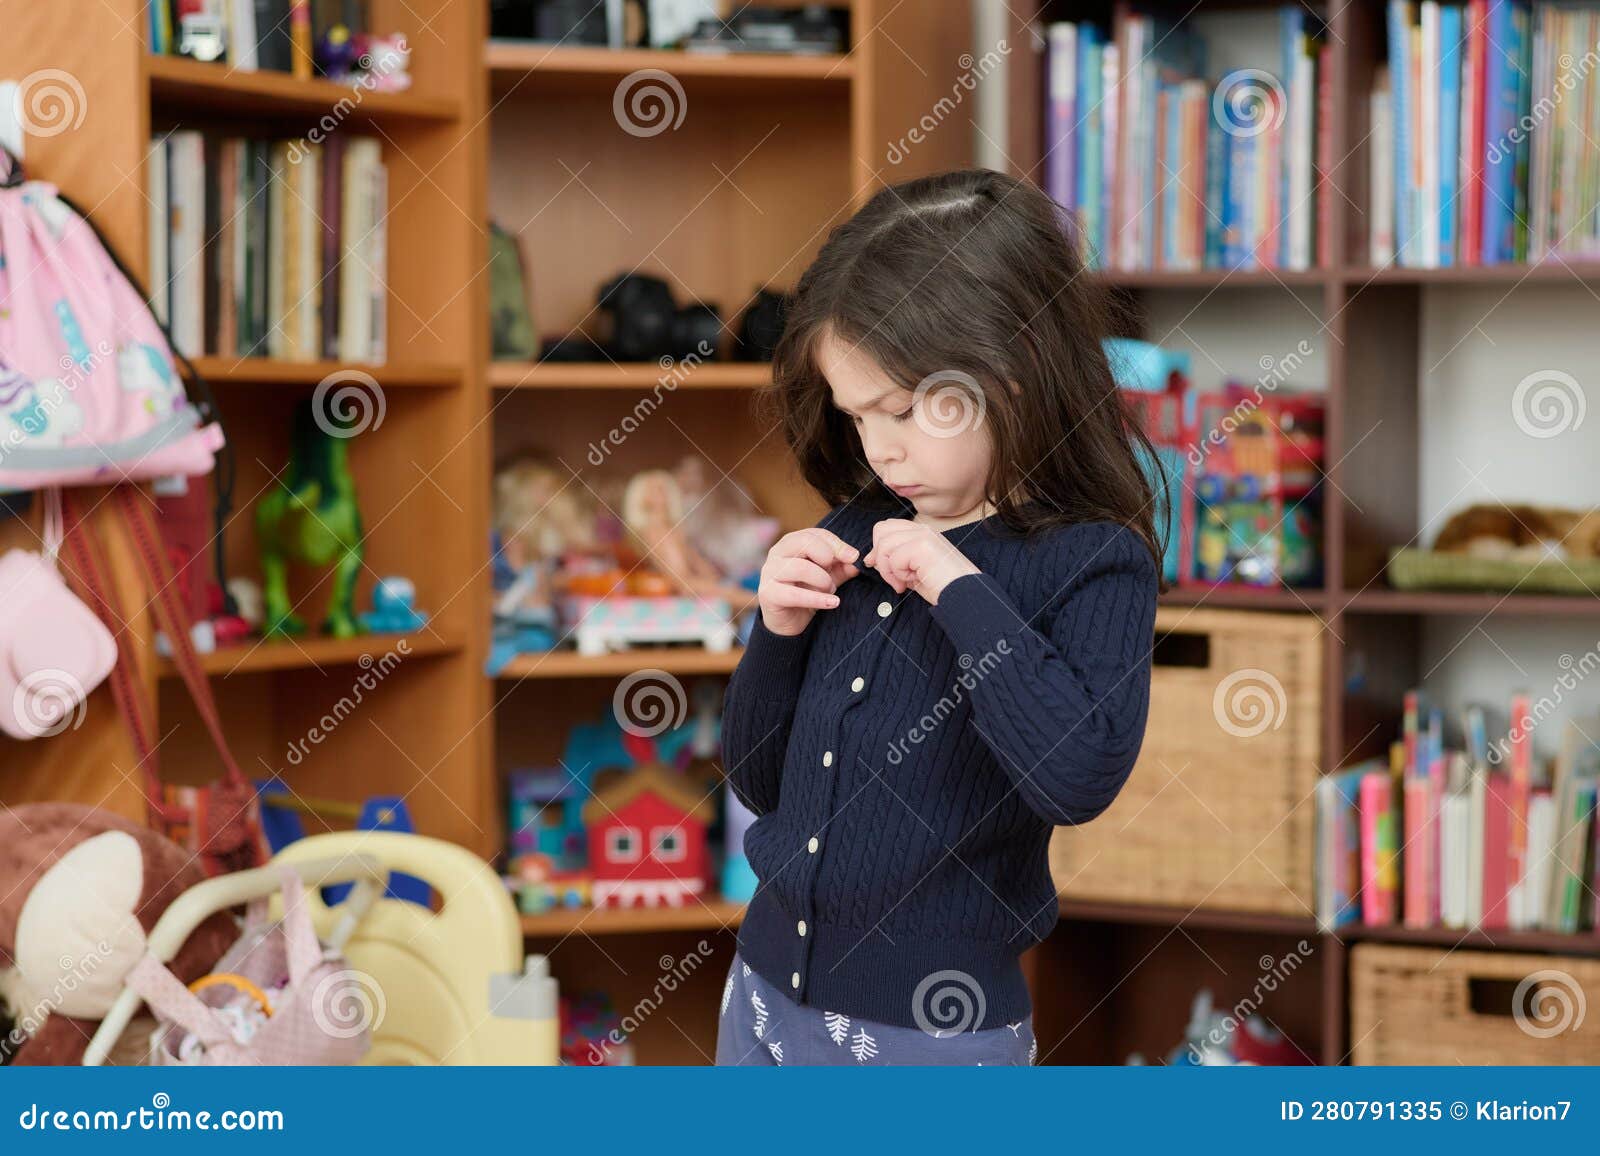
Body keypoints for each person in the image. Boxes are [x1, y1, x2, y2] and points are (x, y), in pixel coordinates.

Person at [714, 168, 1168, 1066]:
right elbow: (761, 784)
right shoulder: (858, 526)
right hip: (762, 992)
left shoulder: (1090, 560)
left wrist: (958, 588)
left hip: (933, 1029)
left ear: (1015, 365)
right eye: (856, 416)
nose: (879, 448)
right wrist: (777, 631)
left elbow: (1075, 778)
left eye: (905, 410)